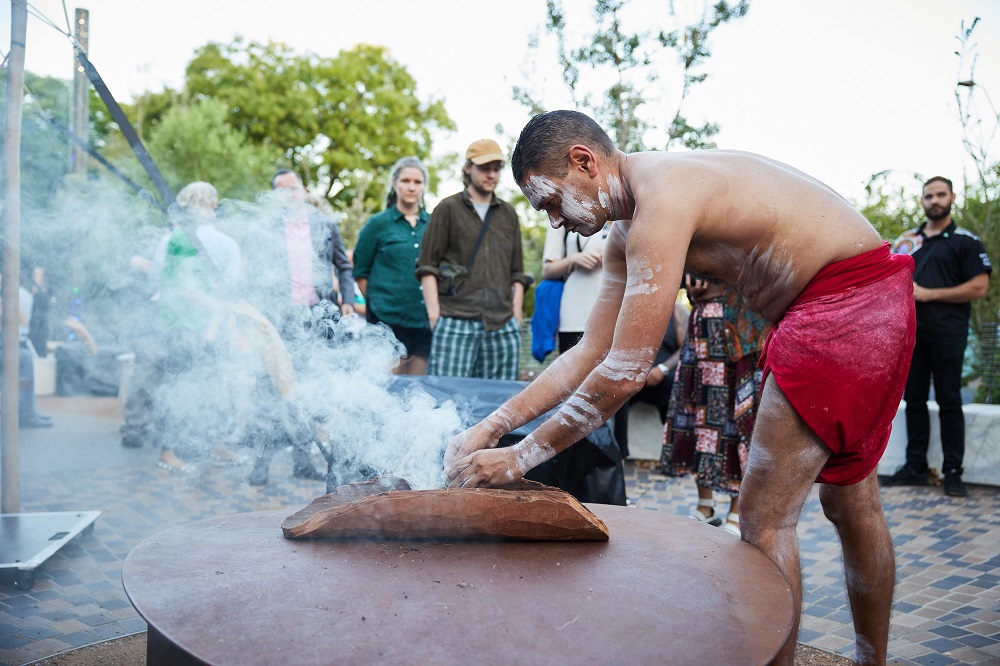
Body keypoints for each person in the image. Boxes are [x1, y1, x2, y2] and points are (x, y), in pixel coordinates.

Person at [443, 110, 916, 666]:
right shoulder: (627, 227)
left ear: (583, 162)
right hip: (876, 302)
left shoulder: (663, 197)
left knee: (764, 519)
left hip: (842, 307)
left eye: (551, 202)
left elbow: (623, 373)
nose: (554, 223)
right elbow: (588, 353)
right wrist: (490, 428)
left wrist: (519, 459)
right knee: (850, 501)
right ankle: (873, 660)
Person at [883, 176, 991, 497]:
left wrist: (929, 294)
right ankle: (915, 467)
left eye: (940, 194)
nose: (935, 200)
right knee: (913, 400)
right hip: (910, 335)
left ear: (952, 197)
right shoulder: (907, 241)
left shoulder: (965, 241)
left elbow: (979, 287)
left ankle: (953, 472)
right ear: (922, 201)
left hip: (948, 334)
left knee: (949, 401)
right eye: (929, 195)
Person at [660, 275, 770, 536]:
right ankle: (706, 505)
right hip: (701, 325)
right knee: (698, 411)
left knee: (736, 416)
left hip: (735, 329)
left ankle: (736, 510)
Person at [415, 139, 533, 381]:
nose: (492, 174)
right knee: (447, 399)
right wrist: (435, 316)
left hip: (501, 324)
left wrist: (516, 314)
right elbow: (427, 266)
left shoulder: (508, 213)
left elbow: (517, 271)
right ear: (468, 168)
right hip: (455, 321)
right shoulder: (446, 209)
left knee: (499, 404)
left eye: (497, 168)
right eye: (484, 168)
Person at [149, 181, 243, 472]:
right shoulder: (200, 240)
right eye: (212, 203)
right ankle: (187, 449)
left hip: (188, 326)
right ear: (208, 205)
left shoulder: (173, 239)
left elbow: (155, 280)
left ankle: (190, 447)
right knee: (195, 387)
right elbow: (220, 285)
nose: (215, 208)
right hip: (192, 326)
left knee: (188, 387)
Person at [354, 156, 433, 375]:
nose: (411, 187)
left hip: (424, 322)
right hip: (387, 323)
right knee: (389, 391)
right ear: (394, 184)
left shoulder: (434, 224)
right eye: (405, 181)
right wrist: (379, 305)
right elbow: (360, 273)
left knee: (418, 391)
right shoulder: (377, 224)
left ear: (424, 186)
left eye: (417, 182)